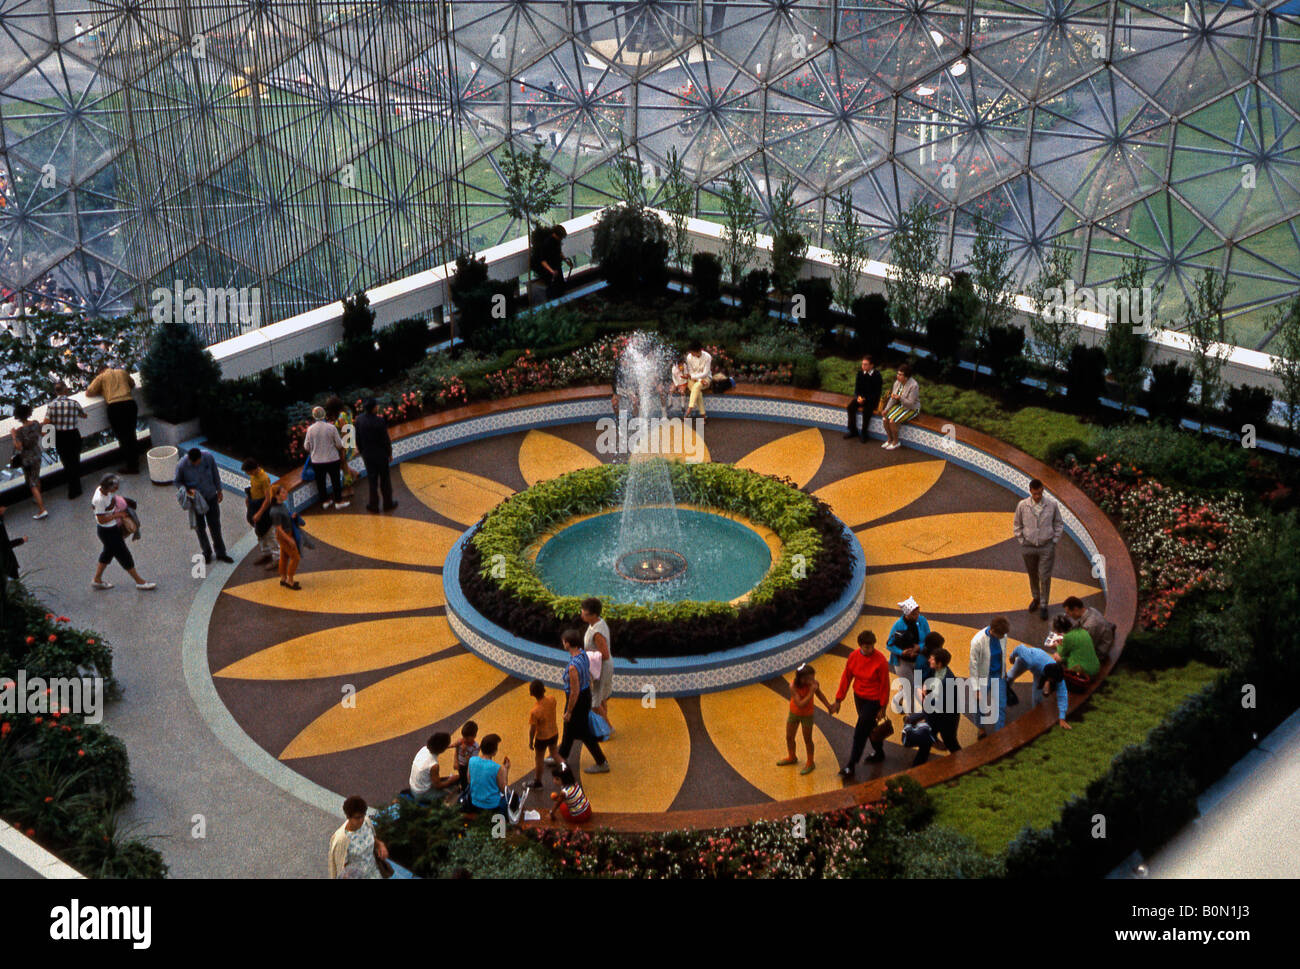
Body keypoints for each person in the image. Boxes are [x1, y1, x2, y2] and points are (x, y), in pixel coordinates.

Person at [832, 630, 891, 776]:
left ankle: (851, 765)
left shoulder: (881, 661)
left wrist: (883, 706)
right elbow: (846, 677)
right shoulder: (853, 657)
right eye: (866, 647)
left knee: (860, 731)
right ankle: (879, 752)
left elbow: (885, 684)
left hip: (874, 700)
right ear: (860, 646)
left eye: (871, 646)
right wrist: (839, 699)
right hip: (859, 697)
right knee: (870, 728)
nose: (870, 650)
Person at [557, 627, 610, 774]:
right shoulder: (583, 655)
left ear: (567, 644)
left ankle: (602, 762)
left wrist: (569, 710)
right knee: (569, 728)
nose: (563, 643)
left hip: (577, 699)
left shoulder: (573, 666)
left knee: (583, 731)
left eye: (564, 641)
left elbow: (575, 691)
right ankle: (561, 756)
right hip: (586, 694)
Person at [90, 474, 155, 591]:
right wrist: (118, 515)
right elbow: (101, 519)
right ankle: (140, 582)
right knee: (124, 555)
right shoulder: (99, 500)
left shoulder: (104, 492)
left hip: (110, 530)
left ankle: (97, 579)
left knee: (108, 553)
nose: (117, 489)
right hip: (108, 531)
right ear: (108, 488)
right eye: (115, 487)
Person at [1014, 478, 1064, 619]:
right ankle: (1035, 598)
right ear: (1030, 491)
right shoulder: (1022, 506)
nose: (1037, 496)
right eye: (1035, 494)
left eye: (1040, 493)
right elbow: (1017, 524)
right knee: (1032, 574)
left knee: (1044, 576)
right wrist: (1021, 540)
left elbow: (1058, 523)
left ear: (1043, 491)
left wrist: (1054, 540)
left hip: (1046, 546)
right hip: (1028, 546)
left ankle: (1043, 604)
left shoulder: (1052, 505)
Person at [174, 447, 231, 564]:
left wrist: (219, 490)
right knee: (200, 528)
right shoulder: (182, 465)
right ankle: (207, 552)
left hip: (211, 496)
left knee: (215, 525)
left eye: (198, 462)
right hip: (195, 500)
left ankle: (221, 552)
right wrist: (187, 491)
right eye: (193, 463)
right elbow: (177, 482)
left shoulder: (208, 457)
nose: (196, 464)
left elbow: (215, 473)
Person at [777, 663, 833, 775]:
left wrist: (828, 706)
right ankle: (792, 756)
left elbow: (820, 694)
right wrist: (811, 692)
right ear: (801, 679)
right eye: (809, 678)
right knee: (789, 736)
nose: (812, 680)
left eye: (813, 677)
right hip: (794, 713)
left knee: (807, 739)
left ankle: (810, 762)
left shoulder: (814, 684)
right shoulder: (793, 686)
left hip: (807, 715)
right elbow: (800, 704)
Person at [86, 362, 139, 474]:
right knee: (131, 434)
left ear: (100, 371)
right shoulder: (122, 372)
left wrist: (103, 390)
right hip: (130, 404)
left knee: (123, 437)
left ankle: (131, 466)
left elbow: (89, 392)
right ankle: (135, 462)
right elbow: (132, 384)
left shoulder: (101, 377)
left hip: (115, 407)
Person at [911, 647, 962, 765]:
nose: (929, 660)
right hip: (937, 718)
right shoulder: (937, 670)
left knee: (950, 743)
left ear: (939, 663)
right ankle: (915, 768)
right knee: (927, 744)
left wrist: (926, 698)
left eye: (932, 659)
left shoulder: (948, 681)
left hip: (946, 719)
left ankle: (963, 764)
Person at [1006, 643, 1071, 730]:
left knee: (1037, 697)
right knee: (1010, 676)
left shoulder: (1058, 675)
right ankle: (1003, 692)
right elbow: (1020, 648)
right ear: (1047, 678)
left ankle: (1035, 717)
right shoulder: (1031, 659)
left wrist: (1062, 718)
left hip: (1040, 671)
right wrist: (1012, 656)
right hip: (1027, 661)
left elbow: (1063, 695)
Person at [327, 795, 388, 879]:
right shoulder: (341, 840)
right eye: (357, 818)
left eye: (362, 816)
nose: (361, 820)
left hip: (373, 873)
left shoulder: (366, 822)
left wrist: (380, 845)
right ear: (348, 817)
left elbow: (372, 837)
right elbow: (340, 867)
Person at [886, 596, 931, 711]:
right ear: (907, 614)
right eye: (914, 614)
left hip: (919, 659)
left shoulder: (922, 621)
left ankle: (898, 698)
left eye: (918, 613)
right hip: (903, 662)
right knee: (910, 689)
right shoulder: (898, 625)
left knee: (917, 685)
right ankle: (911, 716)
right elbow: (889, 644)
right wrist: (902, 652)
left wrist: (919, 647)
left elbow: (928, 638)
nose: (917, 616)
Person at [44, 382, 86, 499]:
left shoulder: (51, 405)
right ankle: (77, 486)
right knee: (75, 459)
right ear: (66, 390)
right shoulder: (74, 403)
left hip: (60, 436)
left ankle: (73, 488)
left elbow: (46, 423)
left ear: (55, 392)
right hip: (73, 434)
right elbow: (83, 415)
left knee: (66, 462)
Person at [968, 616, 1011, 735]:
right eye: (1001, 635)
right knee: (979, 704)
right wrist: (976, 689)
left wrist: (1004, 671)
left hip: (998, 675)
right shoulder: (977, 641)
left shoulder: (1003, 636)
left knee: (1000, 705)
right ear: (993, 631)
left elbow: (1002, 654)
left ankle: (999, 733)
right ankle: (980, 727)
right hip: (983, 677)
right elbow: (973, 666)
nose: (1003, 637)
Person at [354, 397, 397, 513]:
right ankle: (388, 503)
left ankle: (374, 505)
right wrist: (390, 453)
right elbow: (385, 440)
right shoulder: (380, 421)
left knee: (372, 481)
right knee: (385, 480)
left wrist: (362, 452)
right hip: (381, 455)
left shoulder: (359, 420)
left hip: (368, 455)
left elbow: (357, 439)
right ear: (374, 408)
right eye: (376, 406)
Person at [303, 405, 348, 510]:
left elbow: (306, 447)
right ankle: (338, 501)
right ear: (324, 414)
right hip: (332, 459)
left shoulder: (310, 430)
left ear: (314, 416)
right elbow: (339, 444)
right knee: (336, 481)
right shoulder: (331, 428)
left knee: (320, 482)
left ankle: (325, 501)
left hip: (317, 461)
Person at [10, 403, 48, 519]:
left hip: (27, 458)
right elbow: (43, 434)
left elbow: (18, 447)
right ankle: (38, 499)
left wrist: (13, 435)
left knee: (31, 484)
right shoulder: (36, 423)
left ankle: (42, 509)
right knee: (36, 477)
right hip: (37, 453)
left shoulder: (20, 431)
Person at [581, 597, 613, 735]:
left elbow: (604, 654)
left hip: (601, 668)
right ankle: (603, 725)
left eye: (584, 613)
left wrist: (586, 654)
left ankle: (608, 727)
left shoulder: (597, 633)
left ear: (593, 615)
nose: (581, 614)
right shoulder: (597, 623)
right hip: (600, 667)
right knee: (601, 698)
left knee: (595, 703)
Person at [466, 734, 518, 815]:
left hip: (474, 802)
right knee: (515, 798)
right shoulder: (497, 768)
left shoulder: (472, 760)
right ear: (494, 752)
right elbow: (503, 789)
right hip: (492, 806)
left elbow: (469, 780)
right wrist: (506, 769)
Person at [242, 458, 277, 567]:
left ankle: (277, 557)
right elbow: (253, 489)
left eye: (248, 472)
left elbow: (268, 499)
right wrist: (249, 499)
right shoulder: (253, 476)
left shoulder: (264, 478)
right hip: (255, 506)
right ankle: (266, 553)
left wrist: (260, 513)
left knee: (270, 534)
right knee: (260, 533)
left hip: (264, 510)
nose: (248, 474)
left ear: (253, 469)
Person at [408, 733, 458, 804]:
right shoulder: (434, 765)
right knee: (454, 789)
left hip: (413, 786)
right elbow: (438, 786)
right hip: (421, 794)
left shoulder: (424, 749)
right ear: (442, 749)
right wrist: (450, 780)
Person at [527, 679, 559, 789]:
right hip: (554, 733)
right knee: (555, 753)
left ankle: (538, 782)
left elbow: (532, 729)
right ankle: (565, 772)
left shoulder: (535, 711)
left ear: (532, 694)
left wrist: (531, 742)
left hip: (542, 738)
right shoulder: (552, 699)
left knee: (539, 759)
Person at [267, 484, 300, 590]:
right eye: (283, 492)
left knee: (284, 557)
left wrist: (291, 517)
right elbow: (279, 529)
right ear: (277, 496)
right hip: (284, 536)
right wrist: (289, 539)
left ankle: (283, 577)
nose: (286, 494)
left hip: (286, 533)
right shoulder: (275, 511)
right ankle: (290, 580)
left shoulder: (282, 505)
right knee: (295, 557)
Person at [881, 362, 920, 450]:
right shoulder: (897, 383)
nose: (898, 376)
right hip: (900, 406)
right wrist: (886, 409)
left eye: (900, 375)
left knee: (892, 421)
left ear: (906, 377)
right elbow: (892, 398)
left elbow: (910, 403)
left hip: (911, 408)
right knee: (884, 418)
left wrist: (900, 398)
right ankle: (889, 440)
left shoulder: (914, 385)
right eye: (897, 374)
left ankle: (896, 442)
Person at [844, 354, 883, 443]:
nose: (863, 366)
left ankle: (864, 433)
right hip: (861, 398)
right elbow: (857, 389)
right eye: (862, 364)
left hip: (871, 400)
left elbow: (877, 393)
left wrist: (865, 399)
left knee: (867, 411)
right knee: (850, 407)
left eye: (865, 364)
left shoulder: (877, 376)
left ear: (871, 365)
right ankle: (853, 430)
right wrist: (858, 397)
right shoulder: (860, 374)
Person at [325, 396, 357, 499]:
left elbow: (344, 432)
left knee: (343, 467)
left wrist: (342, 450)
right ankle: (354, 473)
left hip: (345, 446)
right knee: (343, 465)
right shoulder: (346, 413)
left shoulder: (341, 417)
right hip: (350, 443)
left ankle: (349, 489)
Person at [0, 506, 26, 622]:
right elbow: (4, 545)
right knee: (13, 580)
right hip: (6, 560)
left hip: (6, 560)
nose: (4, 508)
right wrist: (21, 540)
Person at [535, 224, 572, 299]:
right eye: (560, 237)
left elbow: (559, 252)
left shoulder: (557, 242)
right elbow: (543, 261)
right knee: (553, 291)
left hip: (557, 268)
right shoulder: (547, 244)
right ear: (556, 235)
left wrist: (566, 260)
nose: (561, 239)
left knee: (561, 288)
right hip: (550, 272)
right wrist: (551, 271)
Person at [684, 342, 713, 420]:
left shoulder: (707, 357)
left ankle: (689, 408)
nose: (691, 354)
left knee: (696, 386)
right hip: (693, 379)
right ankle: (703, 415)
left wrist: (699, 380)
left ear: (698, 351)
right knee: (697, 392)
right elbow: (690, 372)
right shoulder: (689, 357)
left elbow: (705, 373)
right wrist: (698, 379)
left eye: (692, 352)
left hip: (706, 379)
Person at [452, 720, 480, 790]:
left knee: (467, 780)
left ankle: (467, 790)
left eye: (467, 738)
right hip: (460, 764)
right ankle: (463, 787)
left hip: (468, 767)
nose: (464, 739)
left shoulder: (475, 747)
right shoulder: (461, 741)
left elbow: (471, 761)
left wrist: (465, 752)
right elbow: (456, 750)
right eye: (463, 737)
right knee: (462, 777)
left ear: (474, 736)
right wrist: (455, 761)